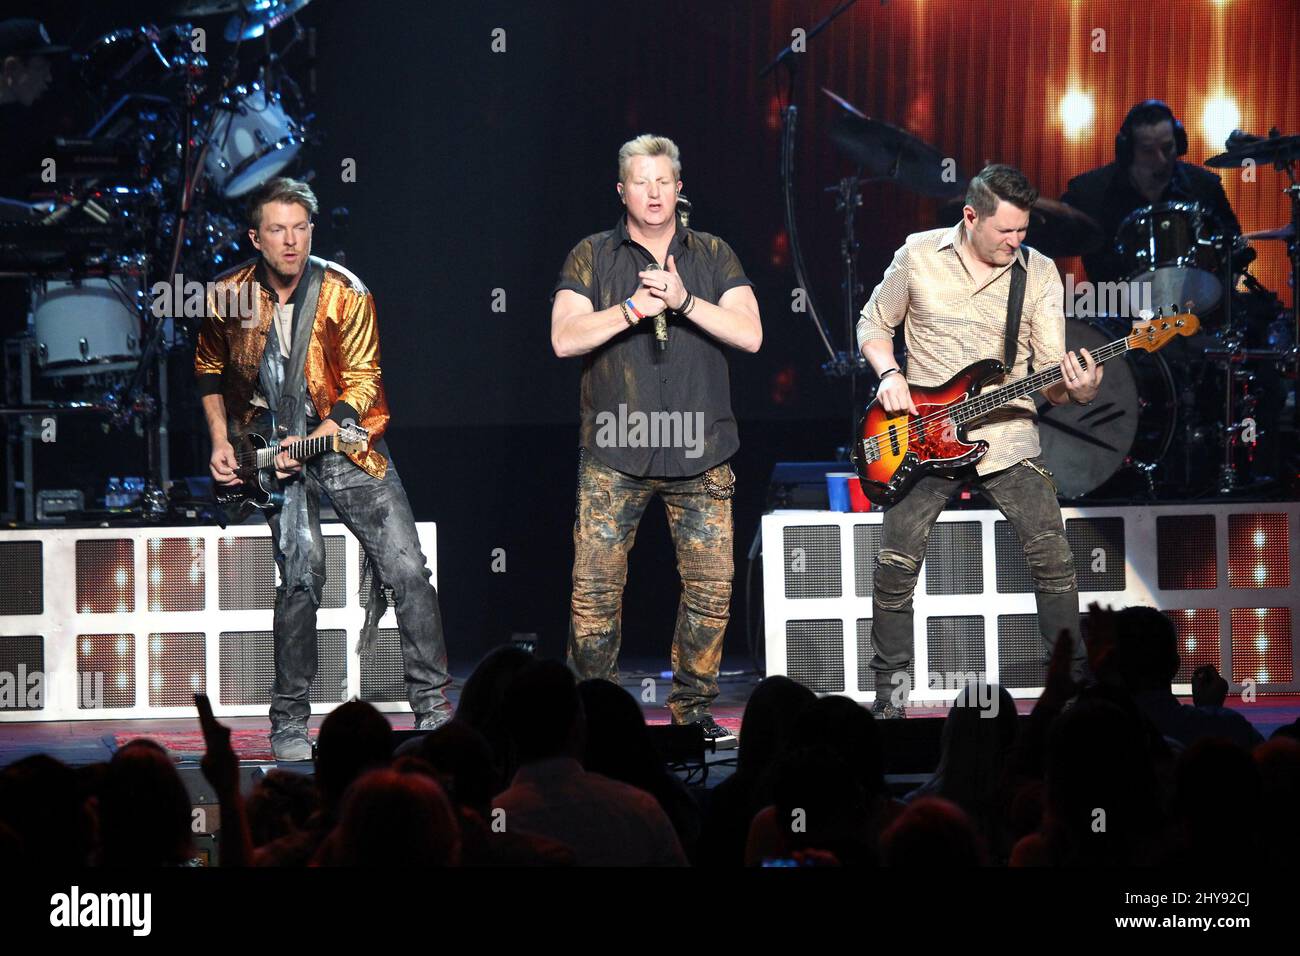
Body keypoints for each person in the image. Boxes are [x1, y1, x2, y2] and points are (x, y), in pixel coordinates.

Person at [195, 177, 452, 760]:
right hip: (271, 451)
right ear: (255, 238)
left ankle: (434, 711)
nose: (291, 241)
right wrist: (221, 441)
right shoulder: (228, 294)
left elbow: (363, 384)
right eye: (278, 230)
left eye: (301, 228)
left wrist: (309, 442)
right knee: (301, 577)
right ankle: (288, 723)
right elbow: (209, 368)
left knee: (408, 568)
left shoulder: (346, 292)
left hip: (348, 447)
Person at [858, 164, 1101, 718]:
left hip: (1007, 435)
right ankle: (888, 705)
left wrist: (1078, 390)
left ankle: (1071, 698)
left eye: (1023, 231)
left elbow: (1052, 378)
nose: (1016, 242)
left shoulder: (1037, 274)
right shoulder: (918, 254)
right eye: (1005, 232)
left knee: (1054, 561)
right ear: (971, 217)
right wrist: (889, 374)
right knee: (895, 569)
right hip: (920, 437)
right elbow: (872, 323)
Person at [550, 134, 761, 746]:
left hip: (702, 449)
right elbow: (564, 339)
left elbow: (750, 335)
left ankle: (693, 713)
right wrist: (633, 309)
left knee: (710, 589)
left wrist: (686, 300)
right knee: (593, 592)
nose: (653, 193)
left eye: (664, 181)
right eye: (641, 182)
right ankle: (594, 718)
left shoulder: (714, 253)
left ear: (678, 187)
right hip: (616, 448)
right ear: (622, 189)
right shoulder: (591, 255)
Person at [1060, 99, 1241, 287]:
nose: (1161, 159)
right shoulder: (1090, 191)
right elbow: (1053, 232)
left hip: (1192, 307)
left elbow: (1234, 245)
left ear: (1179, 144)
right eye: (1148, 151)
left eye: (1167, 147)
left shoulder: (1204, 186)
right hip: (1115, 306)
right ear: (1128, 151)